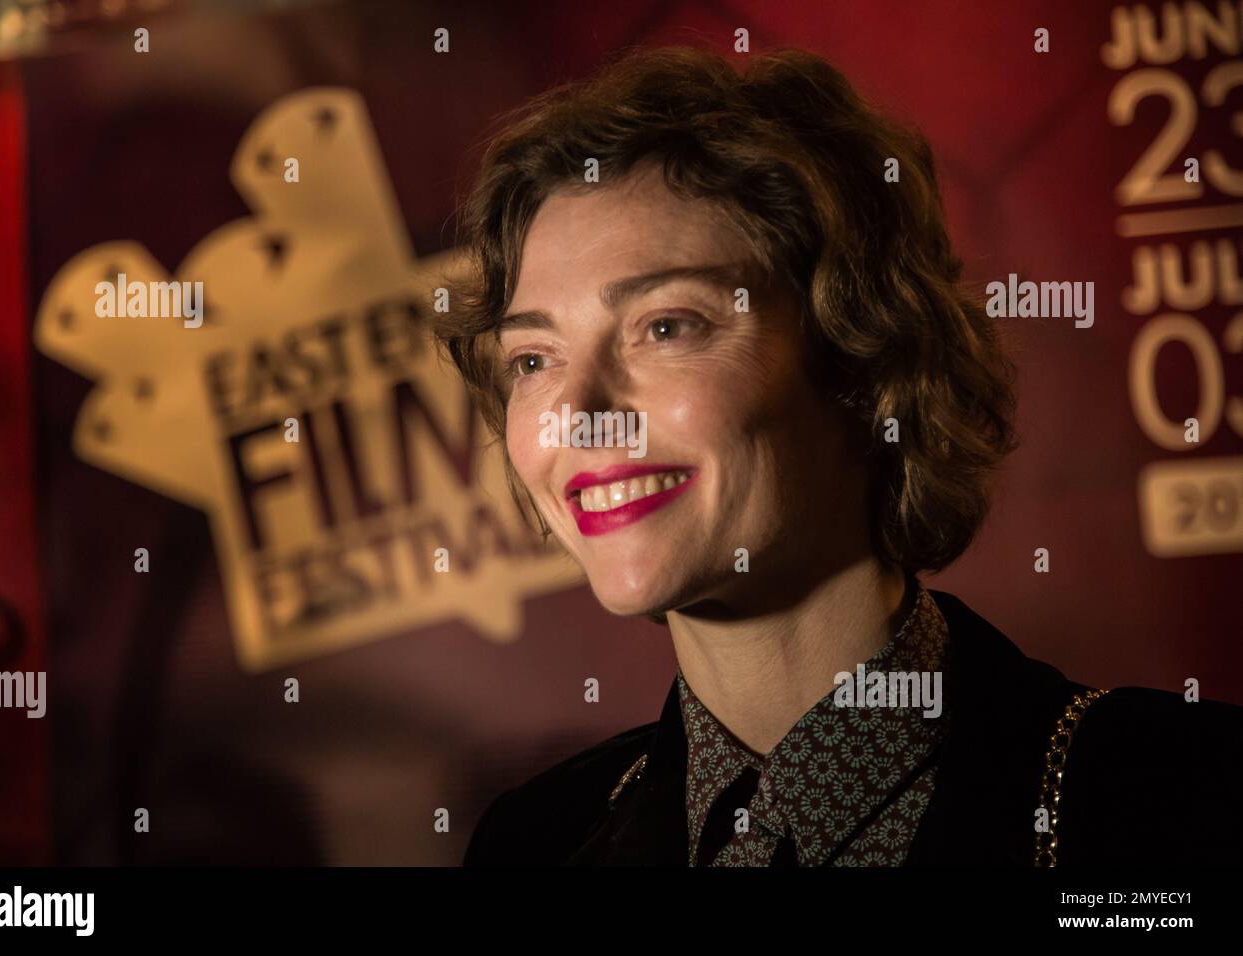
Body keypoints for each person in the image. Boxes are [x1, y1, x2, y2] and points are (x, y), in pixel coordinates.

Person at [436, 45, 1243, 866]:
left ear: (862, 357)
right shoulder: (530, 843)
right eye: (532, 360)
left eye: (667, 326)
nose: (577, 414)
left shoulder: (1189, 800)